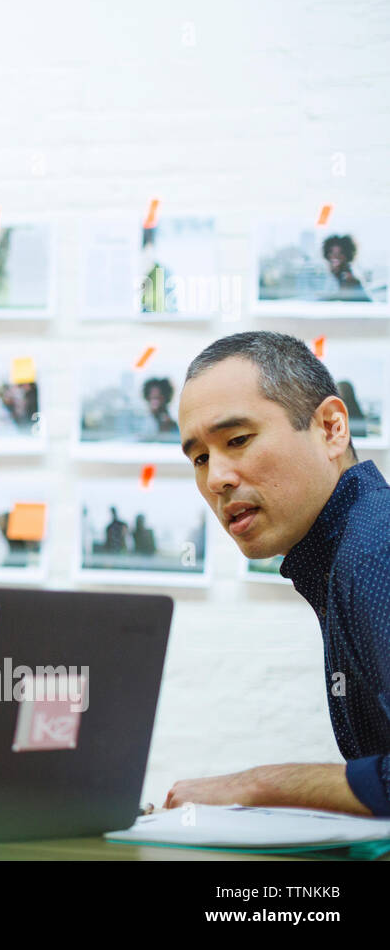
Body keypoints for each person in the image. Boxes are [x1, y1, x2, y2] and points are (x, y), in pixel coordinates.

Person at [169, 330, 388, 816]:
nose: (216, 478)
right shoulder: (348, 549)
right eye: (200, 458)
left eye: (238, 440)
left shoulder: (375, 550)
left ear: (331, 428)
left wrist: (257, 785)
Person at [321, 234, 370, 301]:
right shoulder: (328, 276)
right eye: (332, 252)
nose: (335, 257)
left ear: (347, 256)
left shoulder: (349, 278)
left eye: (340, 253)